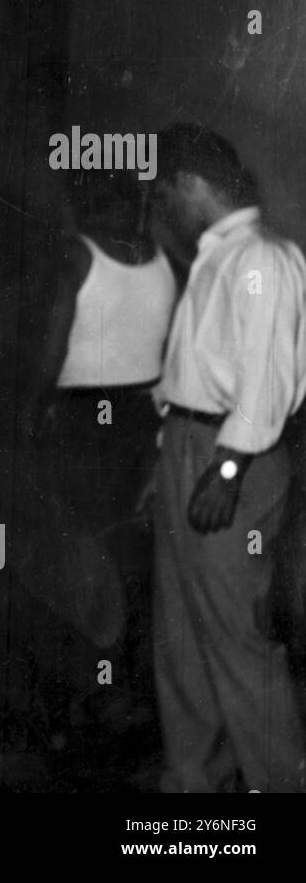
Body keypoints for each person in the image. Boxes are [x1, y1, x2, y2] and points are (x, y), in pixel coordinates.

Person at [149, 122, 306, 792]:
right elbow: (193, 373)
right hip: (191, 448)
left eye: (164, 192)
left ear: (191, 185)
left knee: (240, 644)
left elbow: (263, 385)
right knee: (183, 643)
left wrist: (229, 467)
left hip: (231, 458)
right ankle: (196, 798)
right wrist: (167, 458)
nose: (161, 207)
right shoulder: (217, 256)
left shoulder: (260, 260)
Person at [18, 170, 176, 739]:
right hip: (140, 418)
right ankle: (130, 691)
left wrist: (33, 411)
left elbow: (53, 343)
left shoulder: (76, 256)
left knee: (75, 552)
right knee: (128, 553)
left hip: (87, 424)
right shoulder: (161, 259)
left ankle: (97, 695)